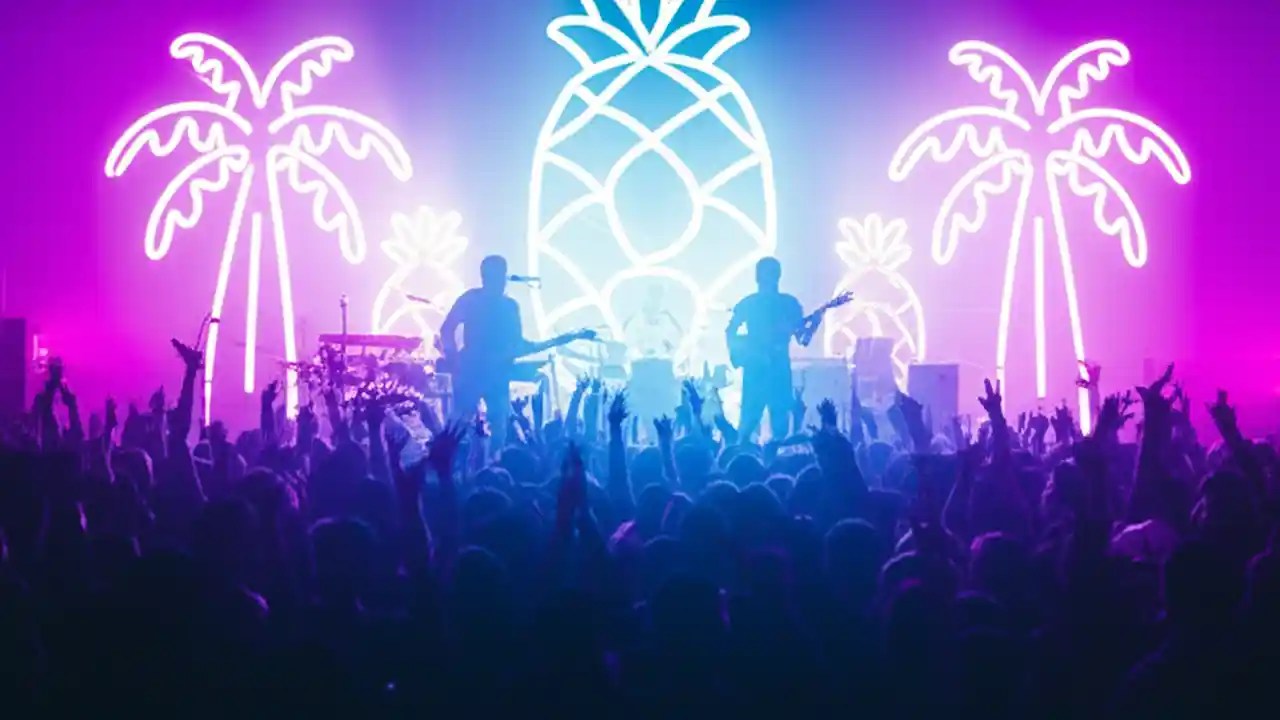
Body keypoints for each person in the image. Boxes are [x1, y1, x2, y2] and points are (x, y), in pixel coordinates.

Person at [439, 255, 525, 438]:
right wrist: (452, 357)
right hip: (470, 370)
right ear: (485, 277)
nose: (501, 282)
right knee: (460, 423)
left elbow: (517, 341)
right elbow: (447, 328)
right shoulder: (471, 300)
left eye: (501, 276)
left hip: (495, 372)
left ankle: (494, 455)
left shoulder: (510, 306)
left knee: (499, 424)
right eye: (496, 276)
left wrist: (508, 356)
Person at [725, 257, 806, 442]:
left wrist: (742, 355)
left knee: (775, 421)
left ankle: (750, 449)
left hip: (772, 369)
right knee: (752, 421)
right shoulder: (755, 303)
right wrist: (742, 354)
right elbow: (730, 331)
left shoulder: (784, 303)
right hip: (762, 369)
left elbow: (802, 337)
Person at [623, 285, 683, 361]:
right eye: (654, 294)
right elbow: (626, 328)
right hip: (643, 348)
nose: (656, 297)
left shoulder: (665, 314)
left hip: (660, 350)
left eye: (658, 295)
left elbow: (679, 332)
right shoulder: (640, 312)